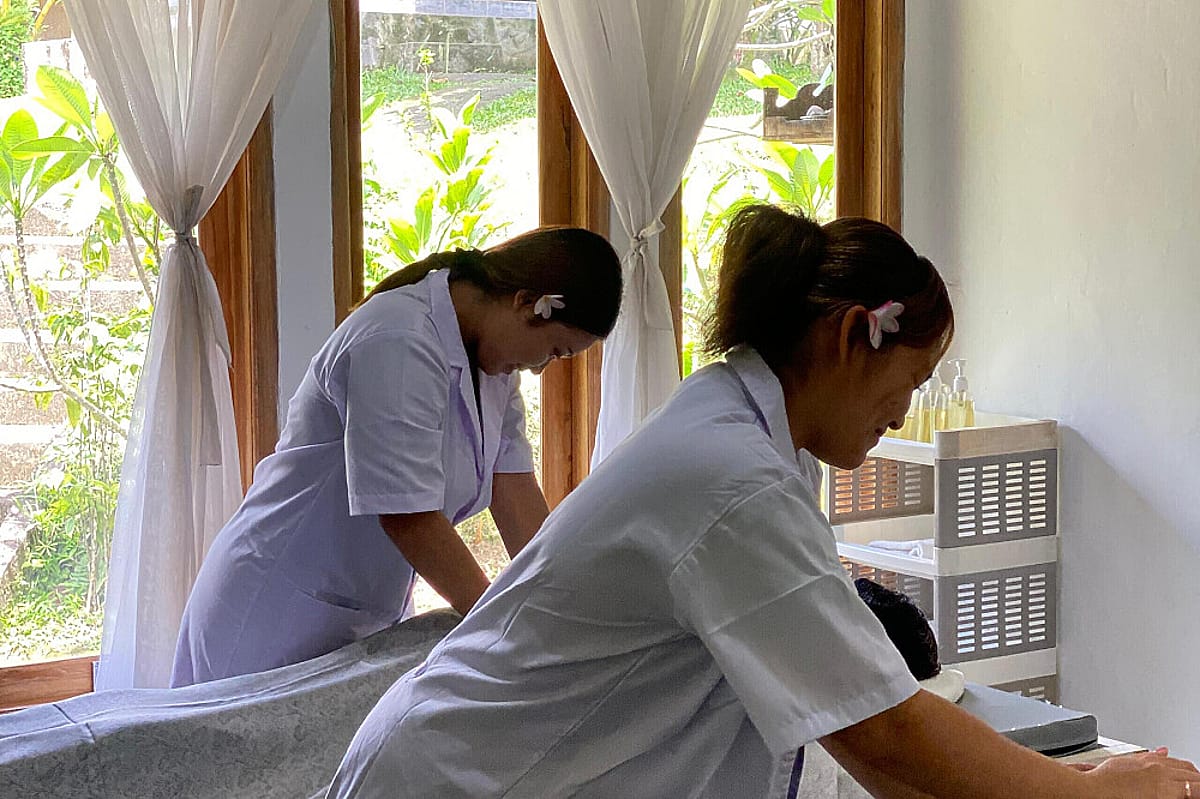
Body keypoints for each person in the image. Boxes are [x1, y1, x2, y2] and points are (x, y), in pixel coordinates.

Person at [326, 205, 1197, 798]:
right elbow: (885, 732)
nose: (906, 409)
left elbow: (872, 733)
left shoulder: (748, 437)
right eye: (915, 376)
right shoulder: (731, 477)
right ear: (856, 335)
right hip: (458, 777)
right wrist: (1086, 790)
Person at [170, 228, 622, 687]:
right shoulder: (398, 338)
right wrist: (502, 630)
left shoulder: (492, 372)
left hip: (354, 610)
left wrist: (562, 609)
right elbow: (409, 517)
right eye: (553, 351)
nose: (541, 366)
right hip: (273, 611)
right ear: (527, 302)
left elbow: (516, 496)